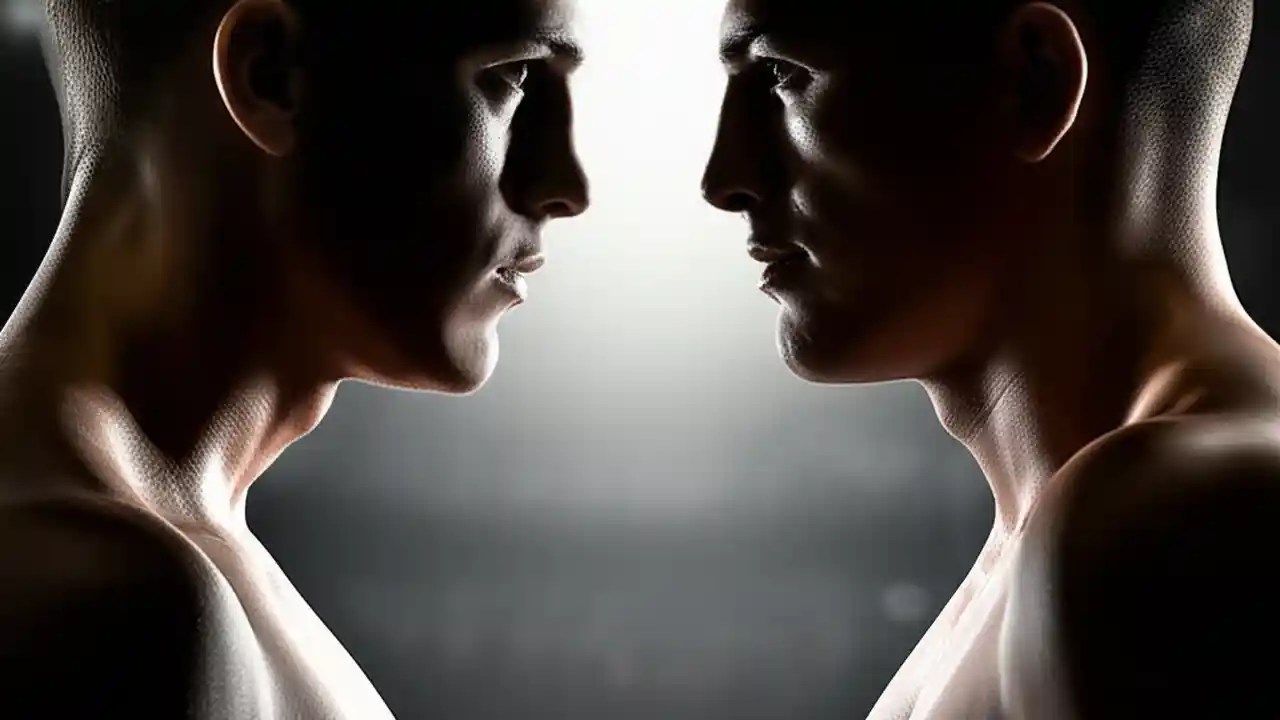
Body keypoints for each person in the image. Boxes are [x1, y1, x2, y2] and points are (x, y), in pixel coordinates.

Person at [0, 0, 587, 716]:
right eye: (516, 77)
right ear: (271, 74)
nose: (565, 185)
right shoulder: (115, 603)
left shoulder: (173, 564)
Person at [703, 0, 1277, 717]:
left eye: (784, 74)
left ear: (1034, 81)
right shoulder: (1058, 540)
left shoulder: (1171, 521)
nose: (725, 178)